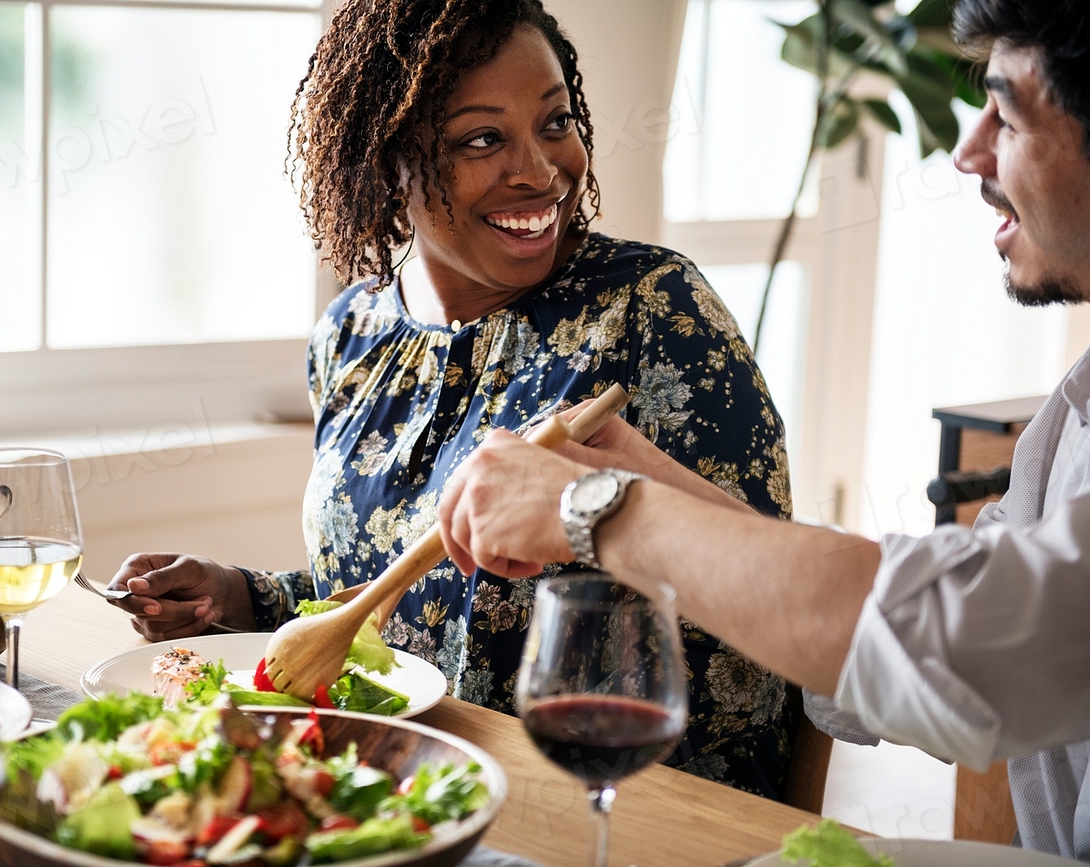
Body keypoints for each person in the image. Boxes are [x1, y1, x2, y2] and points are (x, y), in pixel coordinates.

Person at [436, 0, 1090, 859]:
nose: (967, 152)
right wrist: (657, 486)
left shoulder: (653, 301)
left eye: (1006, 112)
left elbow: (980, 645)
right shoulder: (1072, 412)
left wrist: (597, 508)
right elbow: (936, 627)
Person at [108, 0, 797, 798]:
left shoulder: (652, 309)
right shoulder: (352, 333)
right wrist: (243, 594)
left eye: (555, 122)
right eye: (482, 139)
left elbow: (774, 595)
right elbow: (391, 597)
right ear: (386, 159)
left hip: (617, 800)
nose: (540, 171)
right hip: (400, 795)